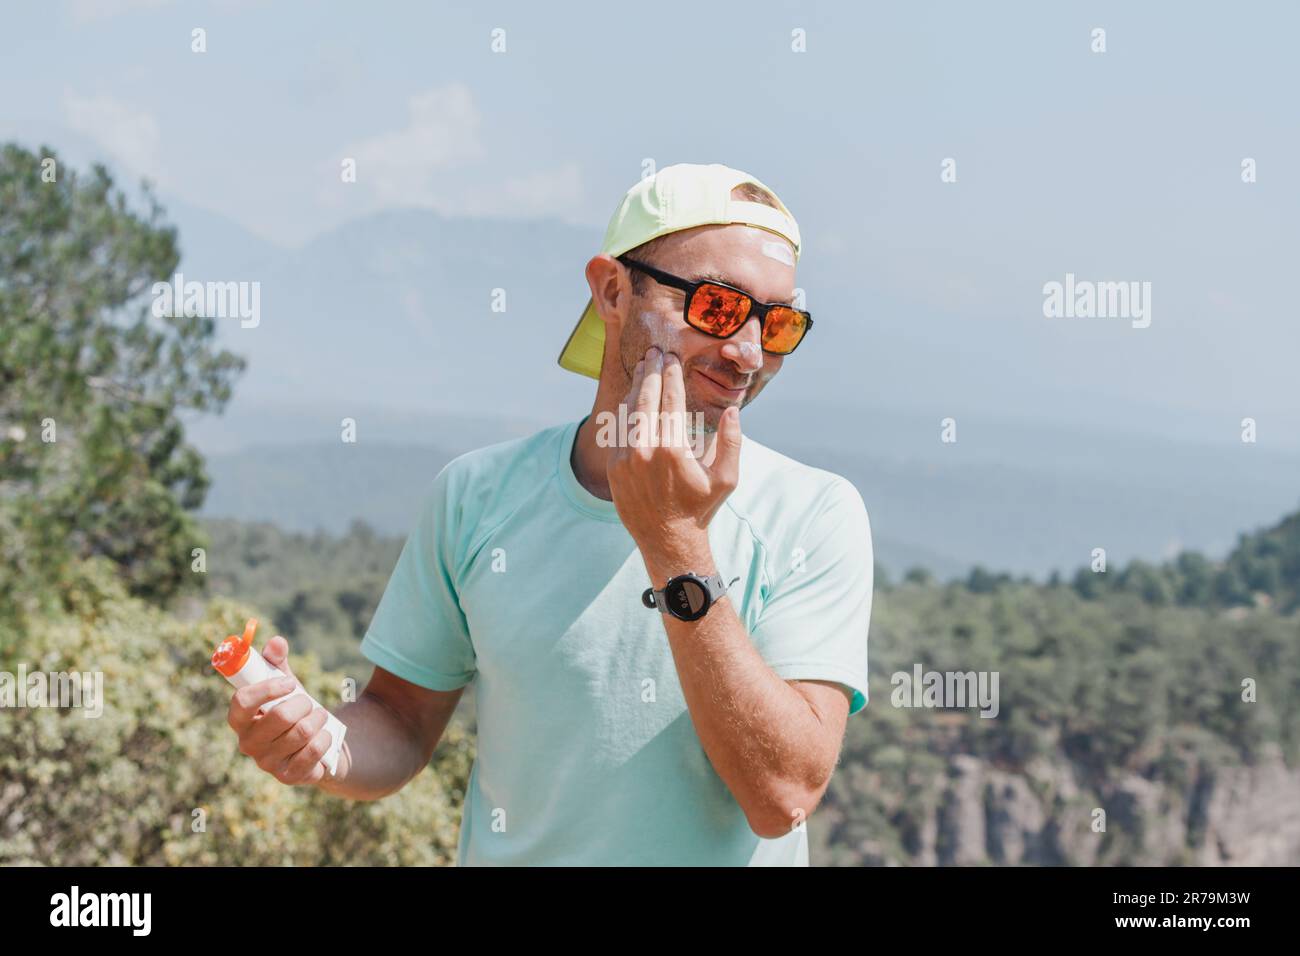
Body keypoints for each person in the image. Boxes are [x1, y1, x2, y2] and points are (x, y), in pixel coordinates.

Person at [225, 163, 874, 865]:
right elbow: (401, 722)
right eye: (718, 308)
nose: (748, 352)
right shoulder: (476, 495)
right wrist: (320, 739)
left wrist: (676, 544)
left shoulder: (814, 514)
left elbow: (782, 795)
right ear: (613, 291)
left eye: (776, 325)